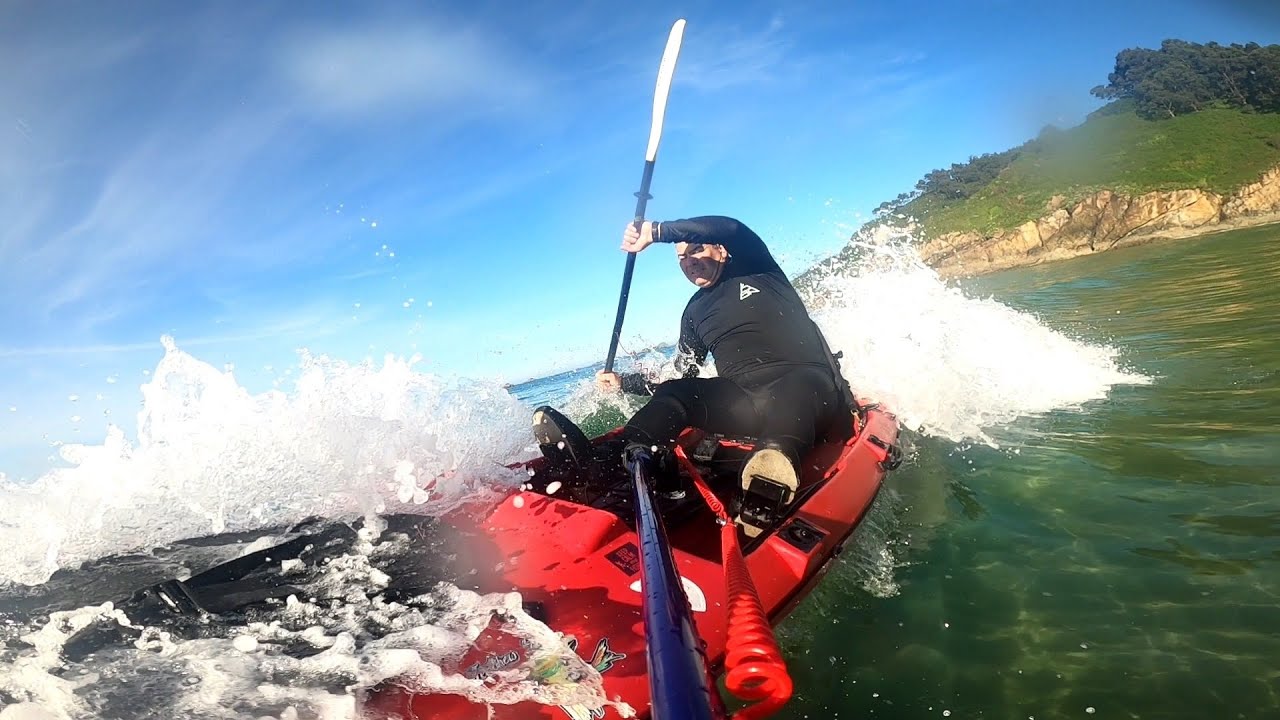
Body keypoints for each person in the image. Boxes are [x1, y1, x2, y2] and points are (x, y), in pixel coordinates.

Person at [533, 215, 855, 536]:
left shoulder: (755, 266)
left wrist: (658, 232)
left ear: (721, 250)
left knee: (794, 389)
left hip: (811, 391)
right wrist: (623, 382)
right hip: (748, 405)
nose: (689, 261)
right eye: (681, 258)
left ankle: (770, 474)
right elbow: (679, 372)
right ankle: (606, 462)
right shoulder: (695, 312)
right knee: (676, 391)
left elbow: (731, 228)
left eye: (697, 249)